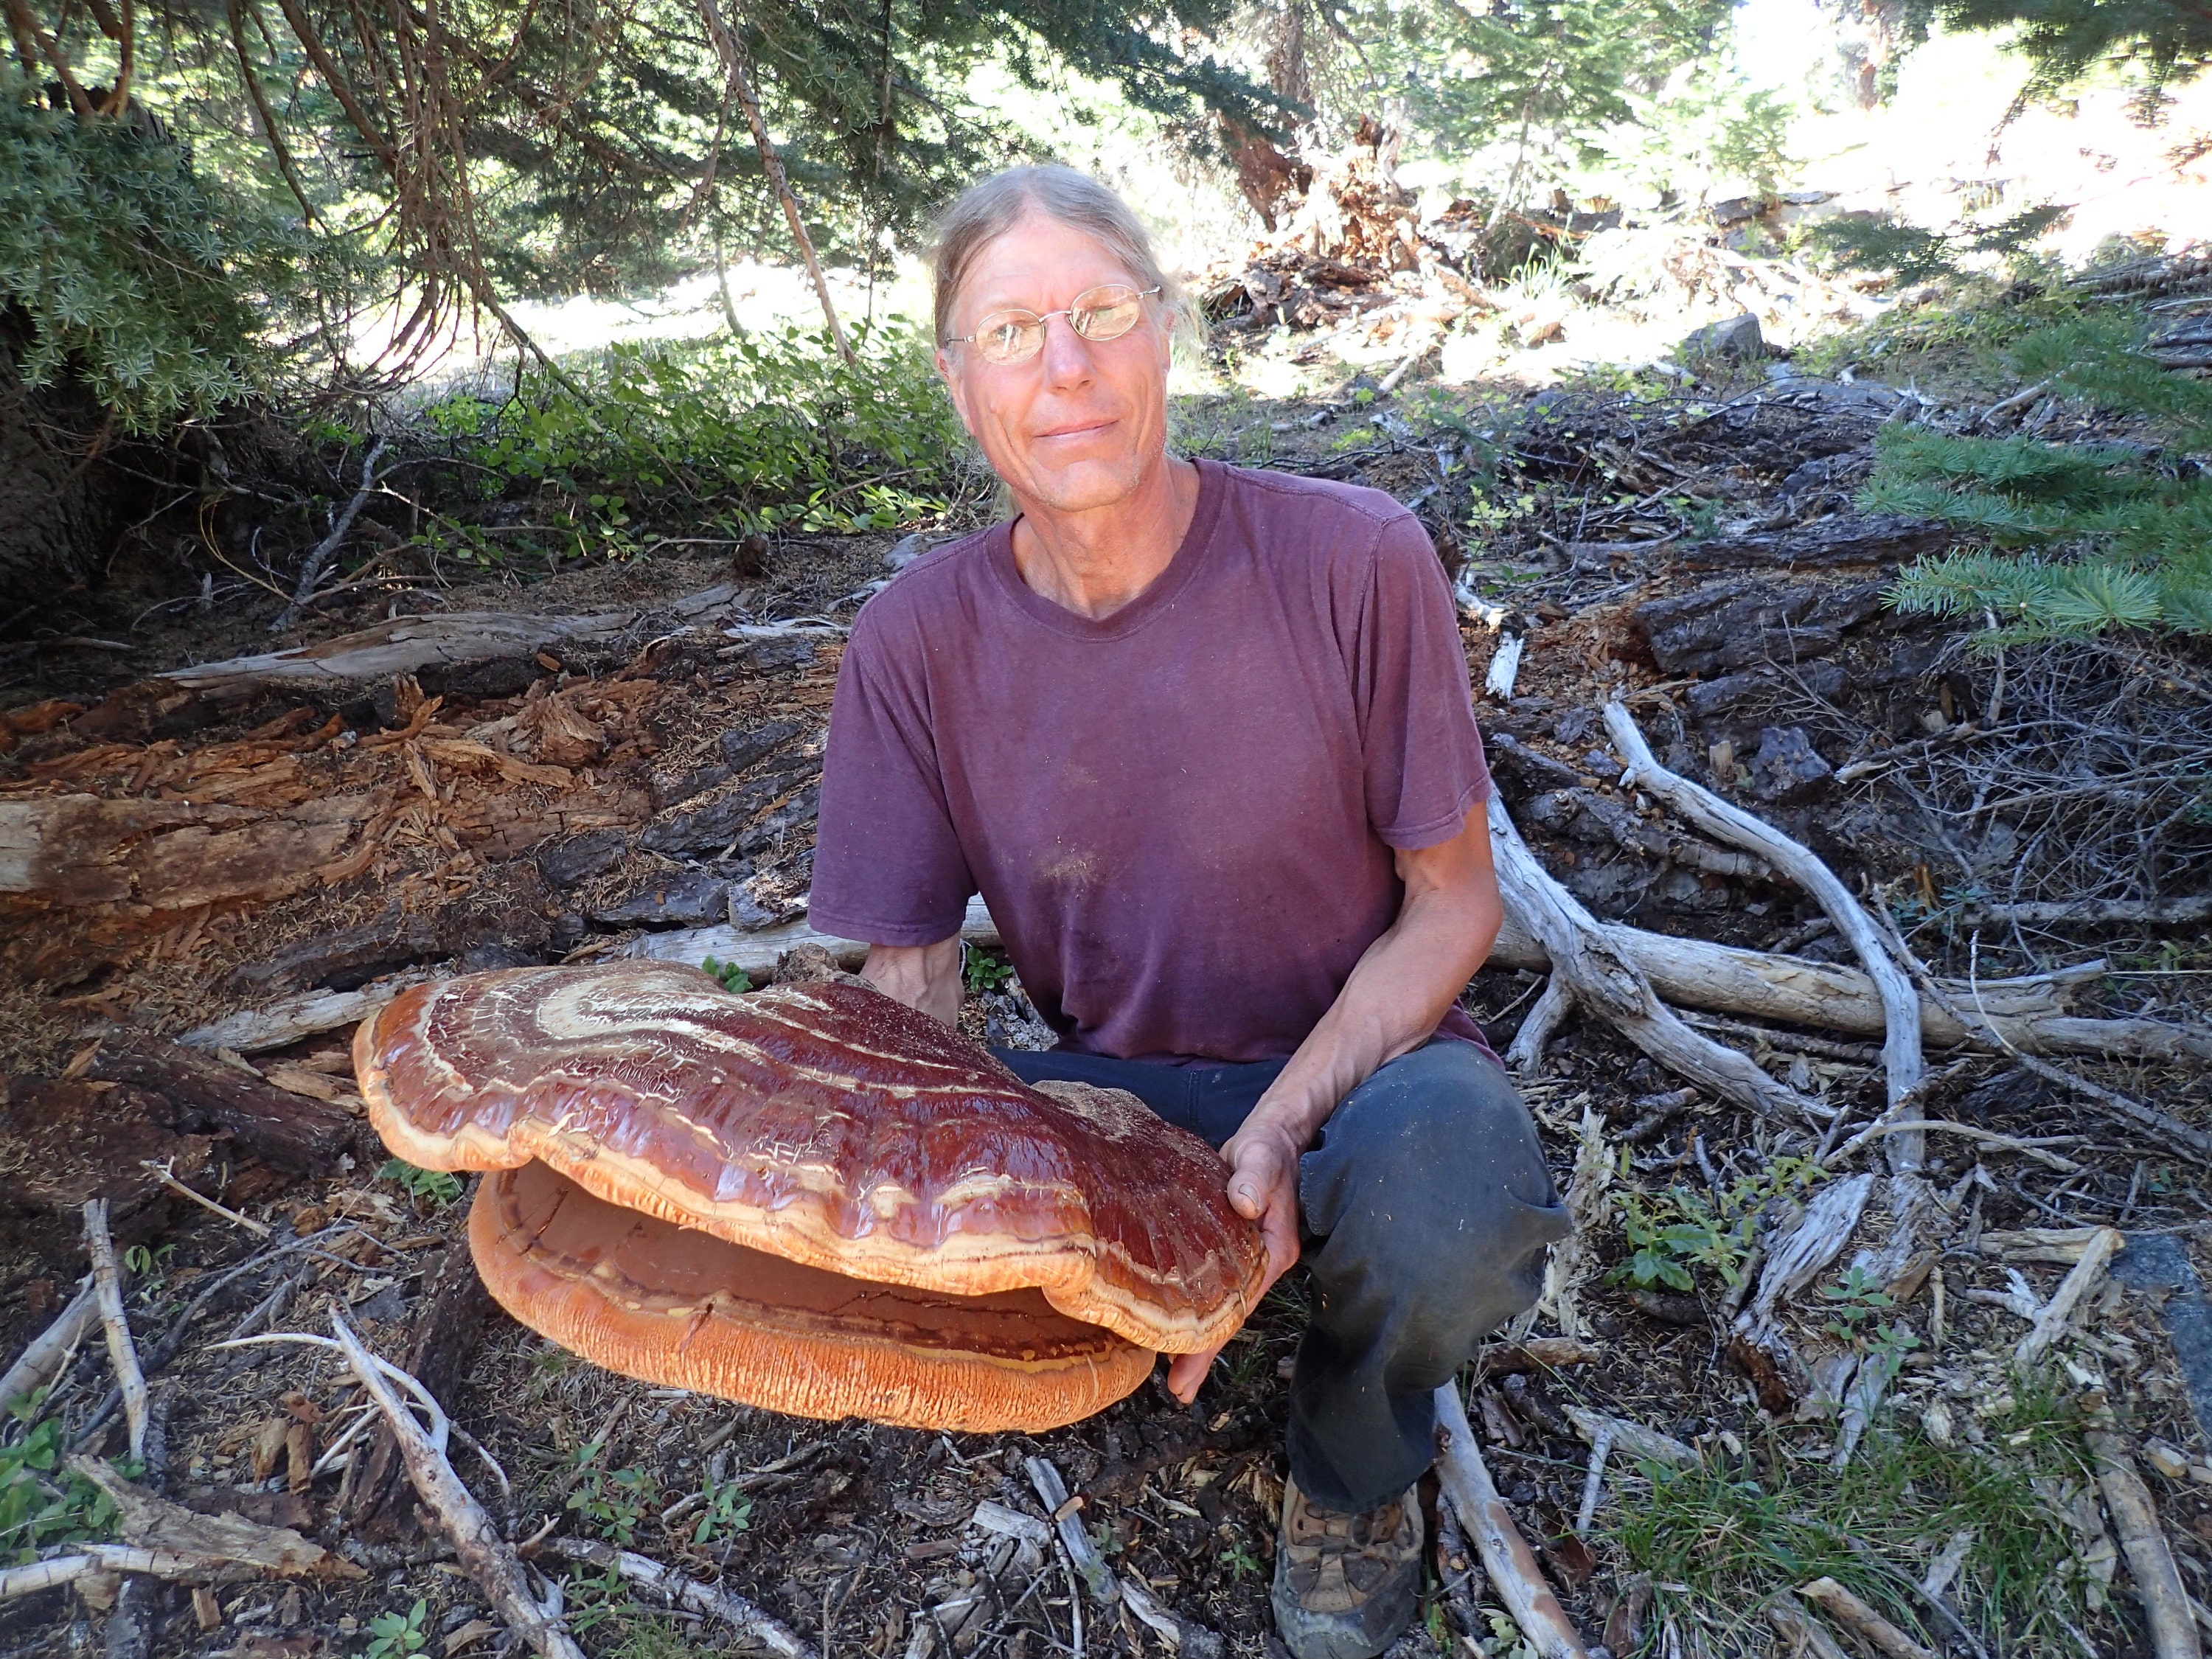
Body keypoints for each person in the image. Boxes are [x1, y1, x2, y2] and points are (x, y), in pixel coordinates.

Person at [809, 164, 1570, 1659]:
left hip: (1367, 1064)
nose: (1067, 367)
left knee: (1454, 1207)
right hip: (1101, 1087)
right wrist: (917, 1210)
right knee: (852, 1213)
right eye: (1013, 331)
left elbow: (1454, 908)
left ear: (1166, 331)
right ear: (959, 381)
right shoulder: (914, 641)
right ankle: (1127, 1299)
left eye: (1100, 312)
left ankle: (1353, 1468)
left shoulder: (1352, 558)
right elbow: (910, 990)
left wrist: (1280, 1129)